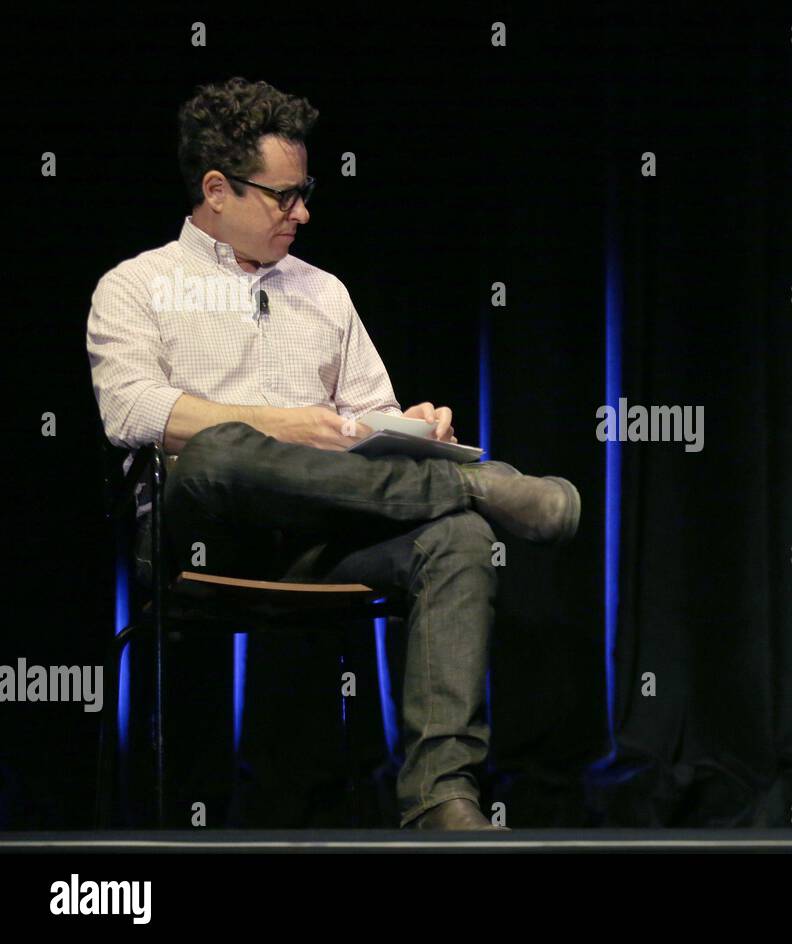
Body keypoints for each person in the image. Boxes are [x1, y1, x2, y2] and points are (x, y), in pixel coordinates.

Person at [86, 77, 580, 831]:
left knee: (459, 539)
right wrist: (280, 425)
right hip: (203, 535)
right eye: (283, 196)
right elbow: (133, 411)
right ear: (216, 189)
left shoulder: (324, 292)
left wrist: (411, 427)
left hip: (326, 533)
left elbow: (362, 425)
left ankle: (442, 795)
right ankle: (476, 487)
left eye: (305, 191)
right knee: (219, 452)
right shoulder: (137, 286)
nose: (303, 212)